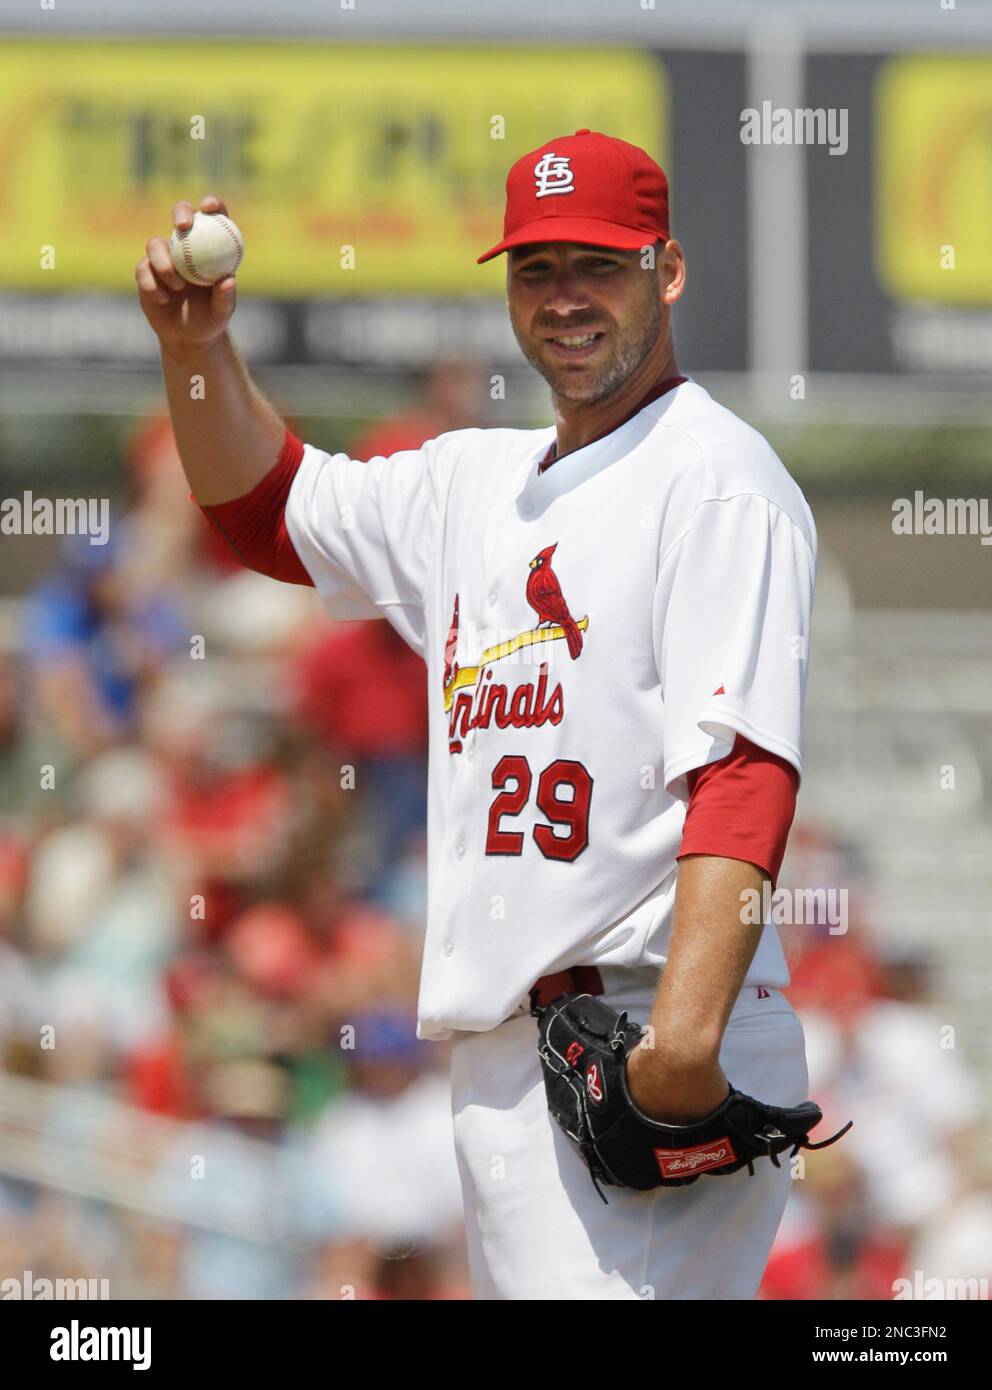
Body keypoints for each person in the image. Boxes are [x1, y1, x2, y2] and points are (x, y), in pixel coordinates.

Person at [136, 129, 818, 1300]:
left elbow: (743, 774)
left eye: (598, 266)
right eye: (535, 268)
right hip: (509, 1050)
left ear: (668, 271)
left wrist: (684, 1044)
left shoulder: (715, 480)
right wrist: (197, 355)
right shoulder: (469, 483)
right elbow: (262, 510)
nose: (565, 299)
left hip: (637, 1024)